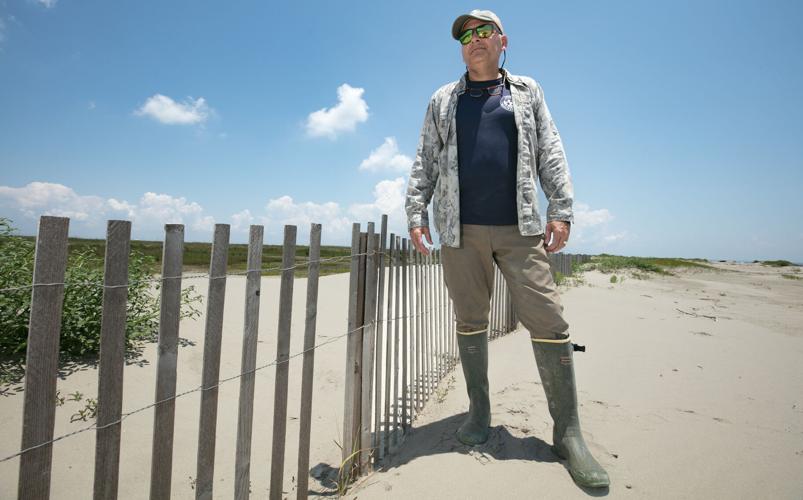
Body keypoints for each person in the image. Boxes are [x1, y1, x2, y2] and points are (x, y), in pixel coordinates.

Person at [405, 9, 610, 488]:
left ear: (502, 42)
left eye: (483, 32)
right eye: (466, 36)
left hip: (520, 228)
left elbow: (550, 150)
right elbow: (425, 161)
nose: (474, 40)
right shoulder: (442, 99)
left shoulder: (527, 91)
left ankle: (569, 434)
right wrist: (416, 215)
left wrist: (560, 209)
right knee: (470, 319)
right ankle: (479, 413)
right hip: (460, 231)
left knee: (549, 320)